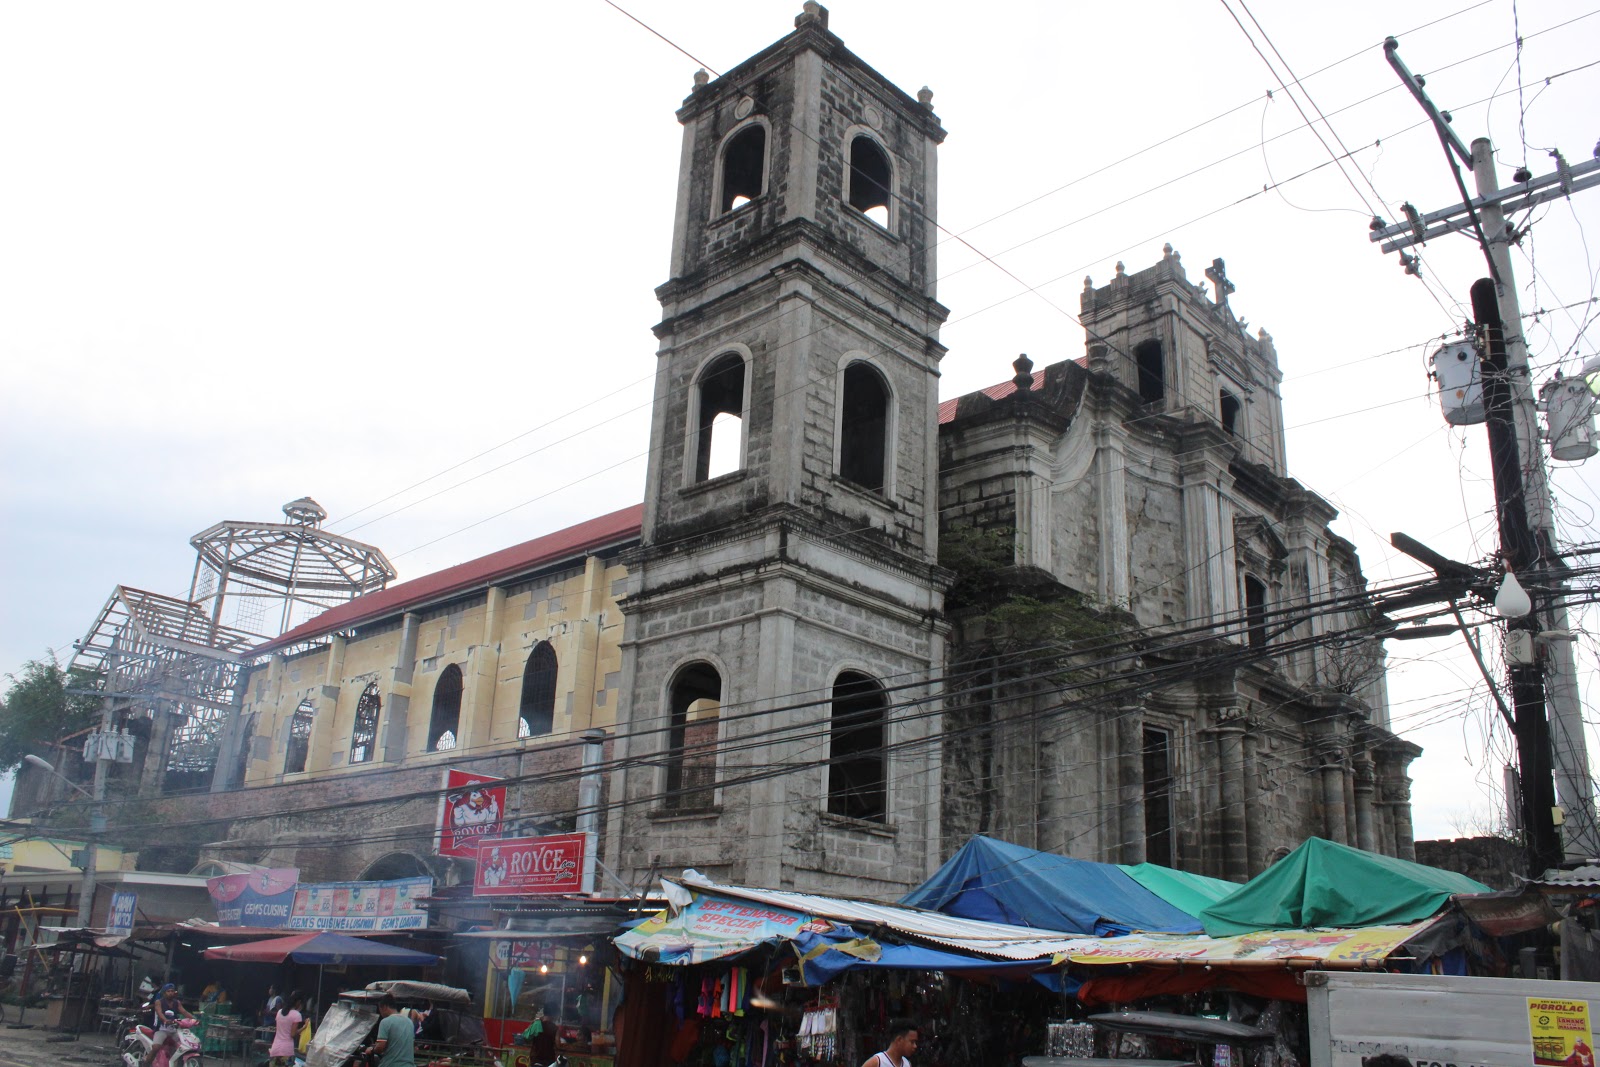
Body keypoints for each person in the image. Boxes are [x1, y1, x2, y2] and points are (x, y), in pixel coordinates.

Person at [143, 984, 195, 1067]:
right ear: (164, 993)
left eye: (172, 991)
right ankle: (146, 1064)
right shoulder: (158, 1002)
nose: (170, 993)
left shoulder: (176, 1002)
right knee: (156, 1047)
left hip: (174, 1030)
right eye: (168, 991)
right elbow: (159, 1013)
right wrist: (165, 1020)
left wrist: (194, 1020)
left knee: (183, 1046)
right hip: (161, 1030)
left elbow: (184, 1012)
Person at [364, 994, 415, 1067]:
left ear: (384, 1007)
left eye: (380, 1009)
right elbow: (411, 1044)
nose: (380, 1013)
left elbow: (380, 1047)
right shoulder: (409, 1022)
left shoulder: (385, 1022)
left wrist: (371, 1049)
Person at [268, 991, 306, 1067]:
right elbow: (292, 1034)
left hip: (275, 1048)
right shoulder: (296, 1015)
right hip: (286, 1051)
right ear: (298, 1002)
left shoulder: (279, 1012)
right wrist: (303, 1028)